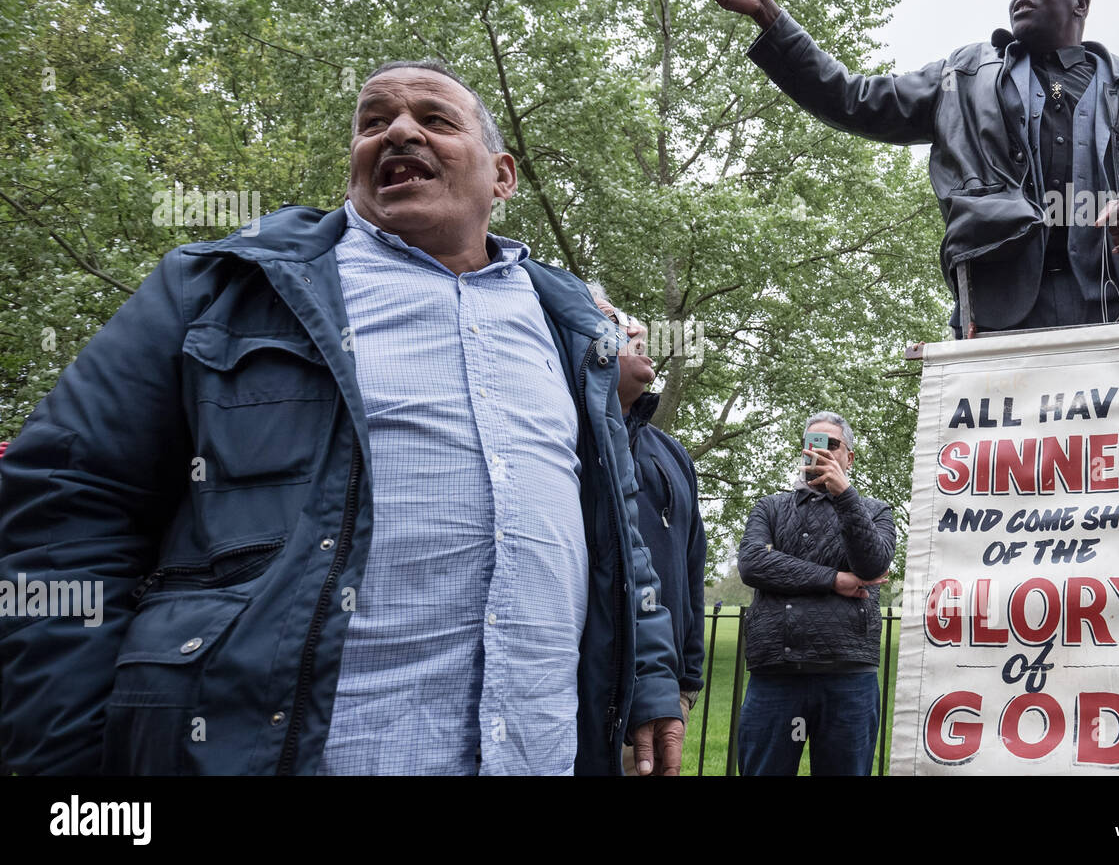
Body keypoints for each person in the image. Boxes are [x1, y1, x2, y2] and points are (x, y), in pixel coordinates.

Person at [0, 60, 685, 776]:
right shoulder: (223, 288)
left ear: (502, 176)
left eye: (436, 119)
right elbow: (67, 506)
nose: (396, 131)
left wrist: (647, 674)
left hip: (539, 754)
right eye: (372, 122)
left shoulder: (571, 326)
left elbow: (613, 523)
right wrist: (64, 766)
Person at [689, 0, 1119, 337]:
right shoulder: (961, 77)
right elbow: (852, 99)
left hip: (1113, 310)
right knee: (999, 482)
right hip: (995, 318)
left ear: (1082, 2)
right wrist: (772, 21)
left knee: (1113, 476)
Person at [586, 283, 707, 775]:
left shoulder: (672, 453)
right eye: (616, 320)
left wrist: (684, 683)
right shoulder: (558, 437)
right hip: (590, 693)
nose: (639, 330)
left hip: (663, 696)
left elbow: (691, 568)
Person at [735, 412, 894, 776]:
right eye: (811, 444)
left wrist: (845, 497)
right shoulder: (770, 507)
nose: (819, 452)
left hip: (848, 674)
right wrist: (835, 580)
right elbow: (753, 564)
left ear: (849, 457)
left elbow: (872, 566)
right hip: (776, 673)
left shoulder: (874, 510)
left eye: (830, 445)